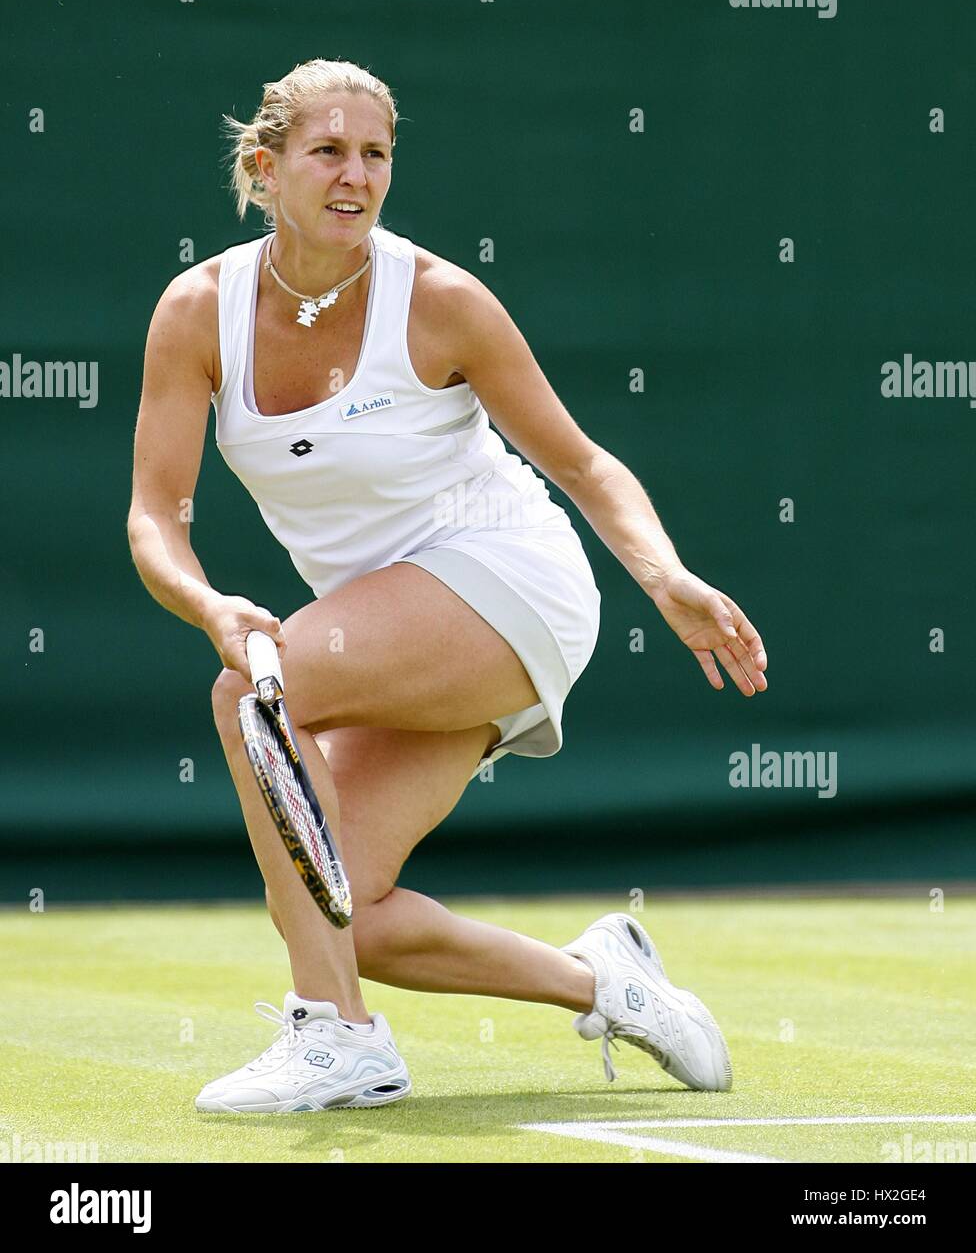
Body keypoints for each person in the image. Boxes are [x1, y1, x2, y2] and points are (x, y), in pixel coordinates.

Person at [127, 58, 767, 1114]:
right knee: (340, 909)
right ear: (264, 167)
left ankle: (337, 1040)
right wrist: (209, 606)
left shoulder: (439, 299)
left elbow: (583, 463)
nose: (356, 175)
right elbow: (156, 514)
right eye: (328, 150)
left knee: (253, 697)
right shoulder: (199, 312)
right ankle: (608, 981)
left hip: (510, 580)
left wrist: (667, 576)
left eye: (375, 153)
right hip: (396, 629)